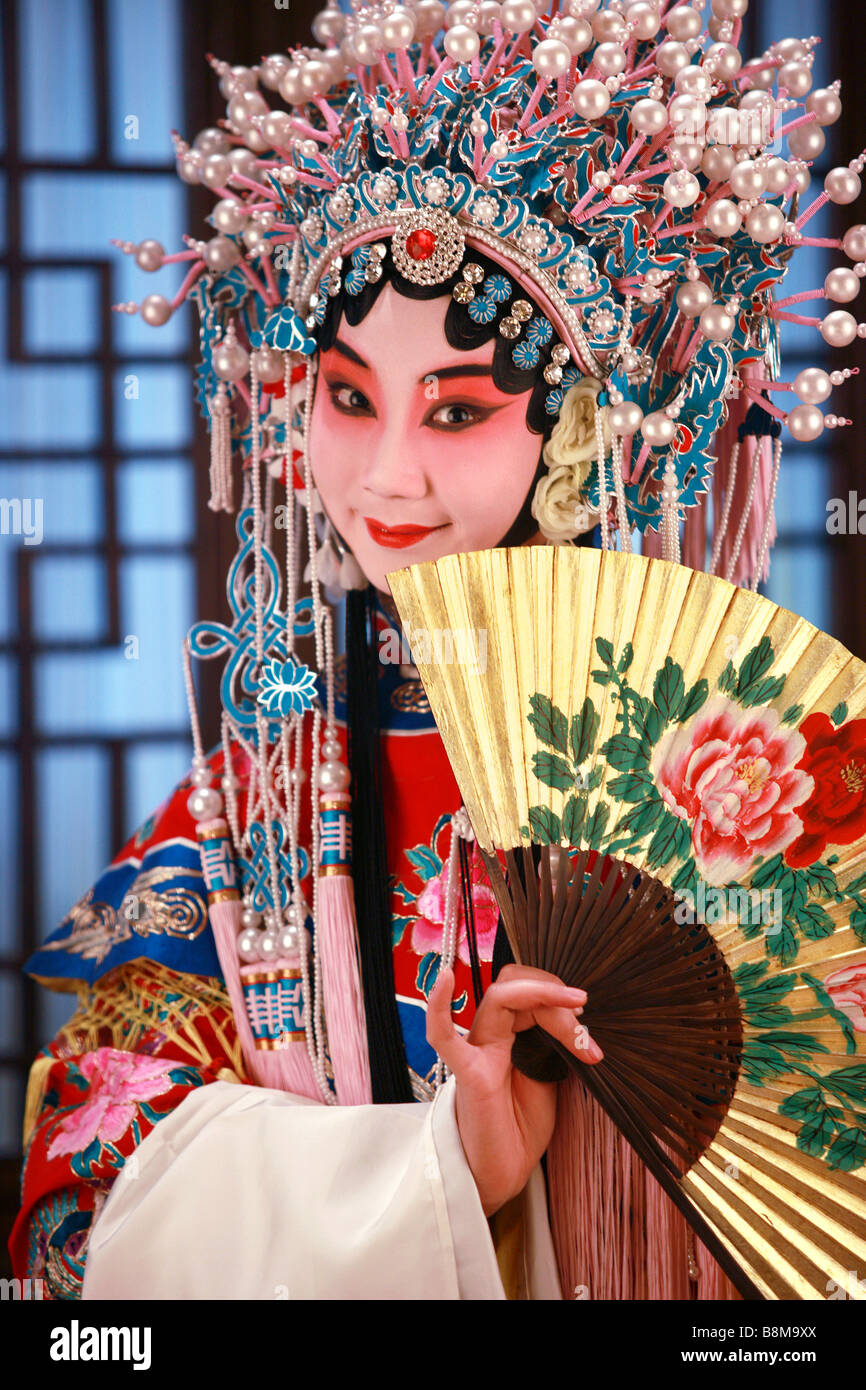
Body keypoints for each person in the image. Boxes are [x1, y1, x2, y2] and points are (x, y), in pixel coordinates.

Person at [10, 0, 859, 1301]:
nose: (386, 473)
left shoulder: (758, 784)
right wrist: (440, 1176)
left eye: (458, 408)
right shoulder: (255, 822)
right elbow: (73, 1263)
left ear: (583, 429)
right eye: (348, 397)